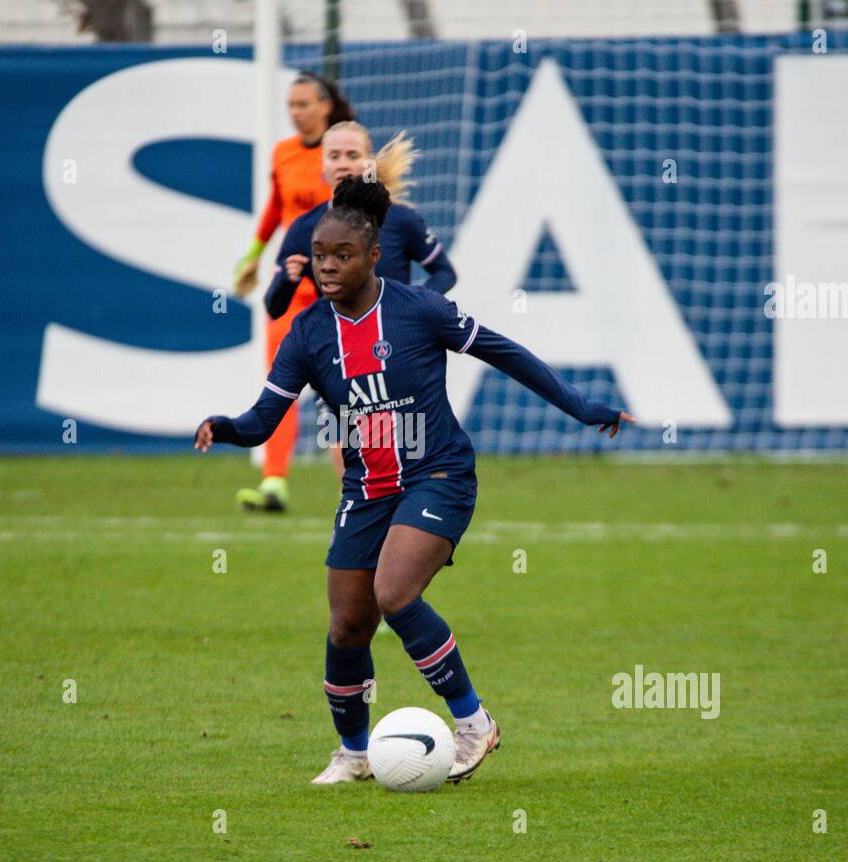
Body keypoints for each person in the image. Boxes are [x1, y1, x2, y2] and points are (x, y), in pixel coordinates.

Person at [196, 178, 635, 785]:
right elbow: (264, 419)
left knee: (395, 592)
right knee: (347, 626)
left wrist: (584, 406)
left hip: (439, 475)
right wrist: (225, 428)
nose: (326, 265)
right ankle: (352, 754)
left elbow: (506, 353)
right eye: (320, 254)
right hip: (366, 491)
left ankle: (475, 723)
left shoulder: (419, 310)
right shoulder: (308, 334)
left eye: (341, 255)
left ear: (373, 256)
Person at [263, 120, 457, 482]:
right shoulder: (305, 229)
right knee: (355, 470)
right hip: (342, 358)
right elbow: (274, 307)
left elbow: (445, 272)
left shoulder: (399, 219)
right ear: (321, 165)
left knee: (415, 463)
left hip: (400, 354)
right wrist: (286, 282)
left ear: (368, 164)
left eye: (352, 155)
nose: (342, 163)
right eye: (333, 155)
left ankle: (422, 519)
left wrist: (413, 309)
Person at [233, 72, 355, 513]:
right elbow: (275, 209)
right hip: (293, 292)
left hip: (337, 295)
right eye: (291, 105)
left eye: (304, 104)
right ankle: (274, 482)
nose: (296, 112)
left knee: (348, 395)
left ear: (325, 106)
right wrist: (253, 255)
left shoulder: (343, 156)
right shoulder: (284, 153)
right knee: (279, 383)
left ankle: (366, 485)